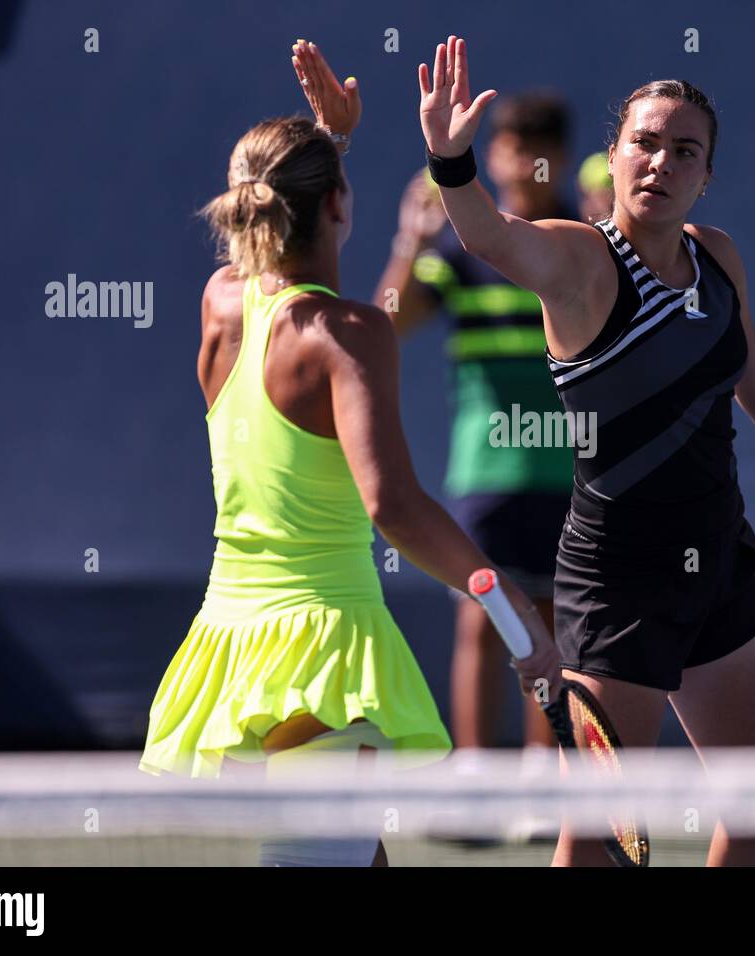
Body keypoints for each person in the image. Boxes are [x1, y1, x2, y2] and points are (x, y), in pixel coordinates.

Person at [416, 36, 755, 866]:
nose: (661, 162)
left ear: (706, 175)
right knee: (596, 845)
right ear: (614, 156)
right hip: (618, 578)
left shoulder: (717, 258)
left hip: (722, 567)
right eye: (644, 143)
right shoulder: (580, 260)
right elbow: (490, 237)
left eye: (684, 150)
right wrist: (451, 161)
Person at [137, 40, 559, 867]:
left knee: (353, 858)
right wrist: (513, 613)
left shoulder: (220, 303)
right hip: (318, 654)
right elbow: (393, 506)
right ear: (338, 204)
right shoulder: (351, 335)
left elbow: (270, 244)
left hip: (228, 645)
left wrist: (331, 146)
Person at [368, 92, 578, 755]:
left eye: (538, 149)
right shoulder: (458, 250)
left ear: (560, 159)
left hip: (570, 470)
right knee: (481, 618)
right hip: (487, 469)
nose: (525, 162)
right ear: (492, 156)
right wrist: (411, 239)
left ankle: (546, 777)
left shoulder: (581, 242)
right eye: (513, 148)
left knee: (551, 622)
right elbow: (387, 324)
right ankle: (475, 771)